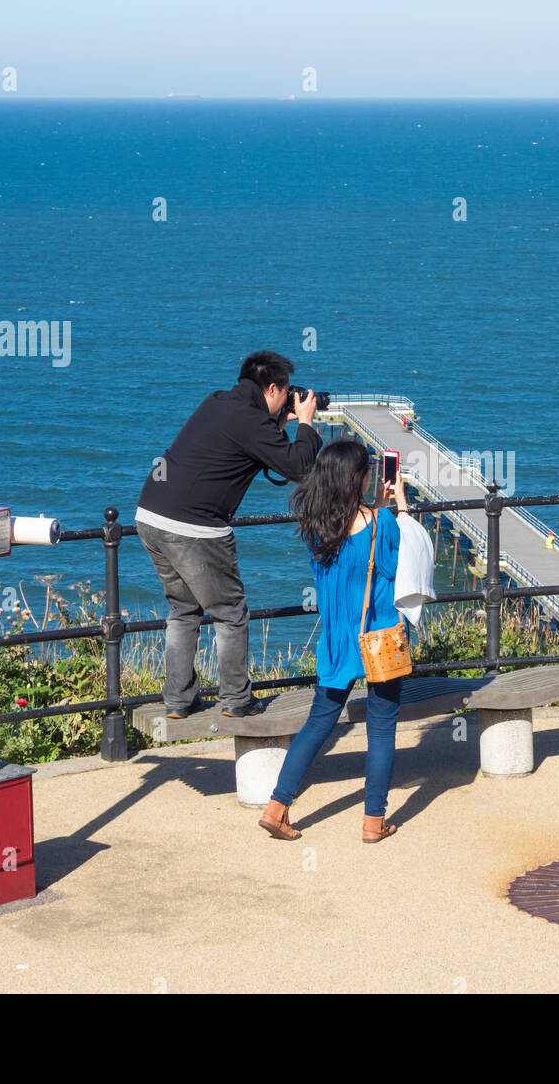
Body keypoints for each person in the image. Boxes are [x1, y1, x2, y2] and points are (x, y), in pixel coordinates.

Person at [135, 351, 321, 721]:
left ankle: (178, 701)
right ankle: (237, 700)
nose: (289, 399)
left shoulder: (218, 401)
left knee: (184, 611)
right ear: (272, 388)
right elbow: (299, 467)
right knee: (231, 613)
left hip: (150, 515)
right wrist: (307, 423)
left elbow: (245, 450)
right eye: (286, 393)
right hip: (194, 527)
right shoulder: (252, 421)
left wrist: (279, 428)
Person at [258, 440, 412, 844]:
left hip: (336, 640)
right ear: (359, 478)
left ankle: (277, 807)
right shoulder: (382, 524)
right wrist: (400, 507)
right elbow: (405, 563)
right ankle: (373, 822)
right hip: (378, 638)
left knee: (317, 724)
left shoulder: (315, 527)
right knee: (381, 728)